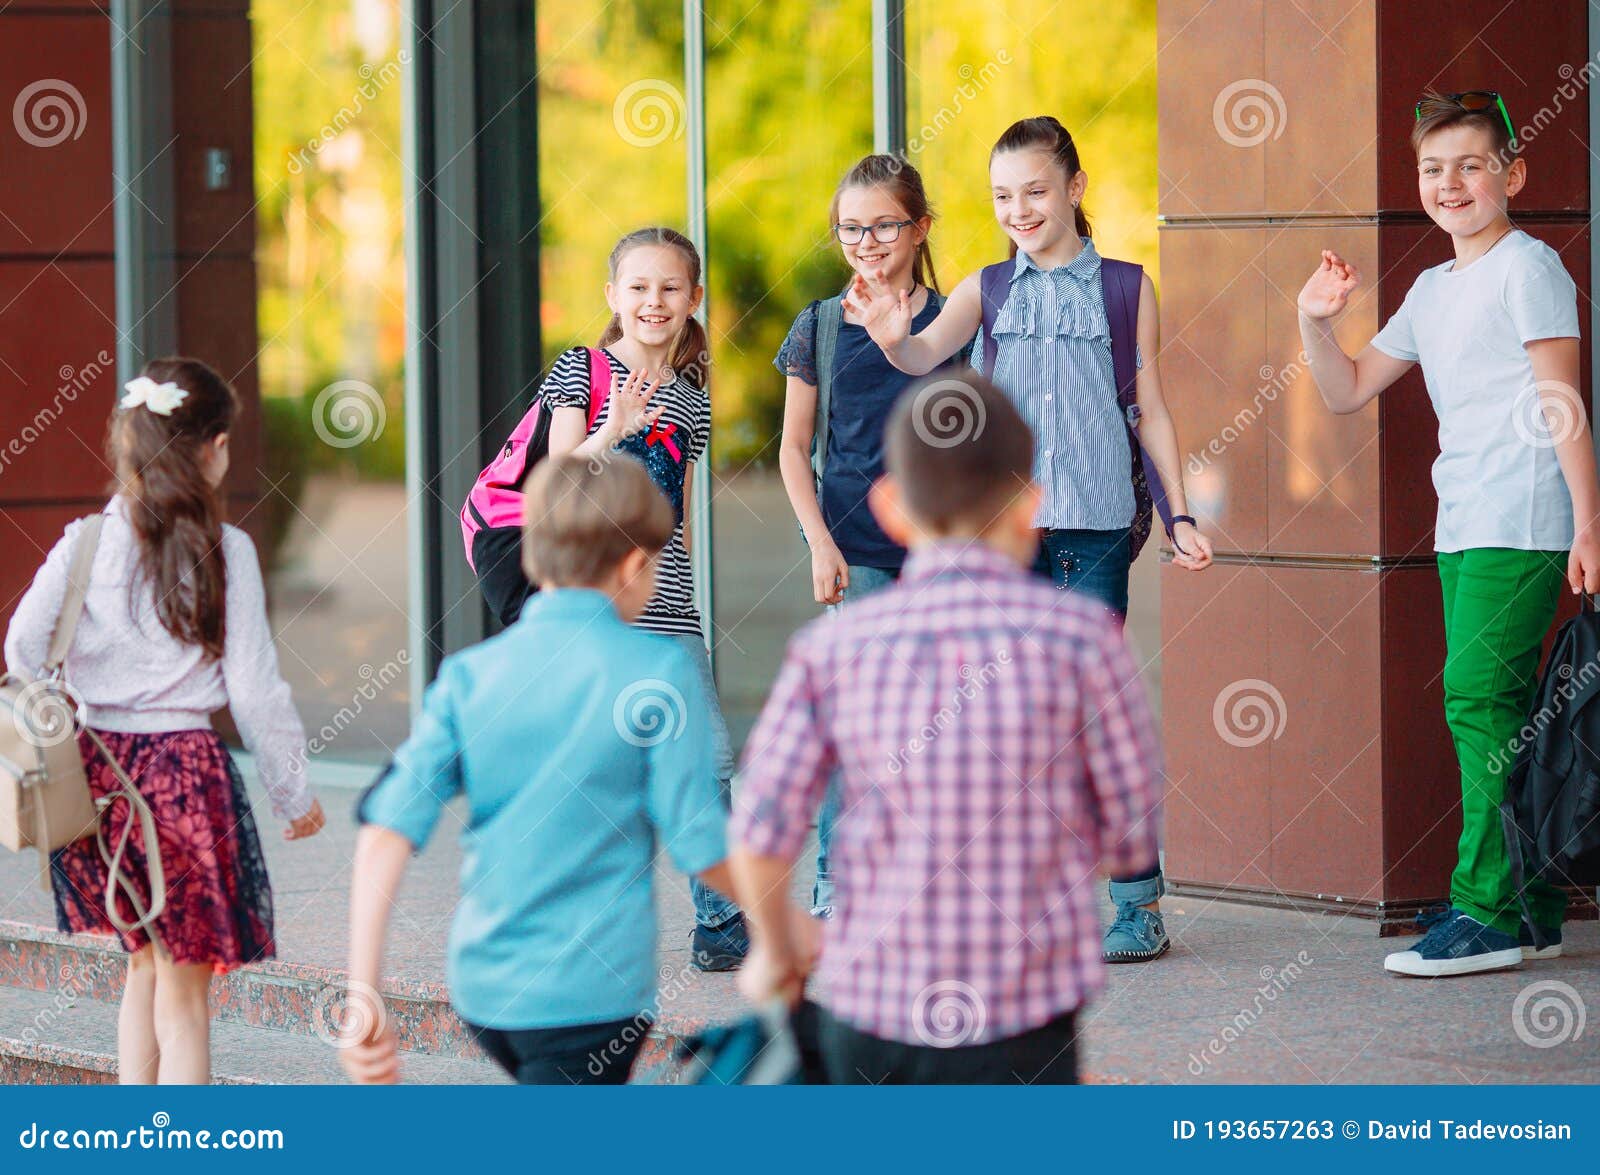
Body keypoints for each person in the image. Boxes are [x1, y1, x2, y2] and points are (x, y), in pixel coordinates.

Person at [846, 115, 1212, 964]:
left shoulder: (1125, 287)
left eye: (1036, 191)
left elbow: (1150, 410)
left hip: (1092, 533)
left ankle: (1135, 901)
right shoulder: (988, 288)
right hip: (1000, 540)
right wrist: (888, 333)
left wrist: (1182, 513)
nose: (1019, 208)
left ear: (1075, 188)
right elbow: (923, 353)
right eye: (1003, 195)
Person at [730, 373, 1162, 1083]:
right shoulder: (1083, 638)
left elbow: (760, 832)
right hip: (1025, 1022)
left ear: (891, 509)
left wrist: (779, 951)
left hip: (870, 1013)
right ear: (1031, 507)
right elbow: (1129, 842)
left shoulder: (833, 648)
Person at [1296, 89, 1600, 976]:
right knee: (1490, 703)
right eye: (1434, 168)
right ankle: (1528, 901)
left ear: (1513, 172)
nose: (1451, 182)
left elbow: (1562, 402)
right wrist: (1314, 320)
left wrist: (1589, 520)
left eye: (1471, 164)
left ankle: (1487, 910)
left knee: (1474, 697)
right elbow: (1349, 387)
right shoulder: (1434, 287)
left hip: (1527, 512)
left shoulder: (1528, 266)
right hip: (1463, 519)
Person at [341, 457, 739, 1084]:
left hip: (485, 990)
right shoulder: (659, 673)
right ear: (635, 567)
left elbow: (384, 830)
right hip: (591, 998)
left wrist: (363, 990)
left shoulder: (470, 674)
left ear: (532, 558)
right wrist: (784, 929)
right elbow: (701, 843)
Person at [4, 358, 325, 1084]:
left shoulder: (86, 540)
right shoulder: (227, 550)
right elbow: (254, 689)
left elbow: (22, 643)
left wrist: (78, 701)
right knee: (185, 998)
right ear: (211, 449)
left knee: (141, 968)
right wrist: (292, 793)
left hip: (100, 780)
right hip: (186, 780)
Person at [542, 226, 746, 970]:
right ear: (612, 297)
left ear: (694, 299)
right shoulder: (583, 369)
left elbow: (677, 520)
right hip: (589, 607)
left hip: (666, 610)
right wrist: (613, 429)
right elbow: (555, 482)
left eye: (669, 287)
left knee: (710, 759)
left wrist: (684, 600)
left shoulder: (692, 402)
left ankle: (721, 924)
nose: (653, 301)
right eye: (638, 287)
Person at [774, 153, 967, 918]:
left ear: (920, 228)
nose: (868, 240)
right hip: (858, 558)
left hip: (944, 560)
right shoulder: (819, 326)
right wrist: (820, 543)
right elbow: (794, 449)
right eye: (851, 228)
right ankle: (837, 885)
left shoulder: (954, 321)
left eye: (885, 224)